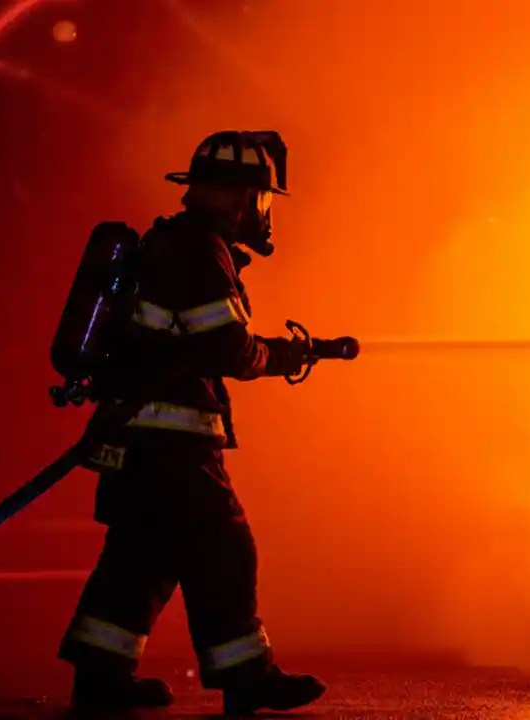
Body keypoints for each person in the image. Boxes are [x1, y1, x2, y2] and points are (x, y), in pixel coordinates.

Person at [58, 130, 326, 714]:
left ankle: (100, 680)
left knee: (142, 557)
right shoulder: (200, 252)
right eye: (263, 197)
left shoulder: (176, 244)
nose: (265, 212)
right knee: (226, 548)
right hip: (169, 446)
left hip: (142, 440)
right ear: (238, 195)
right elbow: (226, 348)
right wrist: (281, 357)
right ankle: (247, 677)